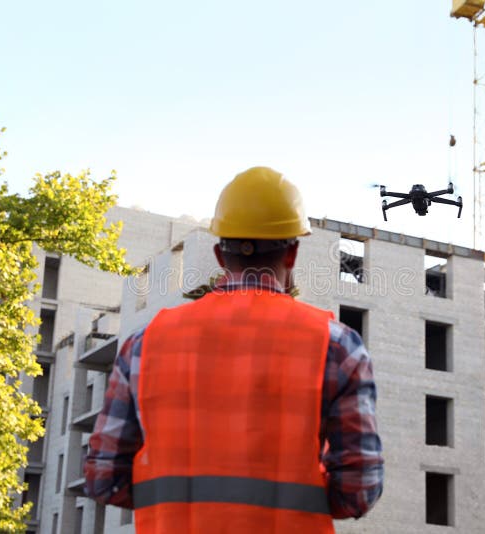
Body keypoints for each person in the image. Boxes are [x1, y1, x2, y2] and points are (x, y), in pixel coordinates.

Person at [84, 166, 383, 533]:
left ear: (219, 253)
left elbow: (103, 479)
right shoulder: (337, 347)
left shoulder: (145, 345)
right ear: (292, 254)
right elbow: (359, 492)